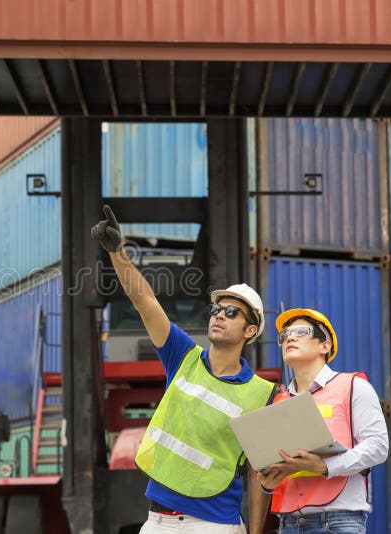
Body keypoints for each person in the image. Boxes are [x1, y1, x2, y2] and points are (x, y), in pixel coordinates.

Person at [91, 205, 277, 534]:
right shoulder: (183, 357)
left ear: (250, 331)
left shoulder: (261, 394)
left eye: (232, 313)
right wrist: (117, 253)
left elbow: (259, 471)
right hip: (158, 521)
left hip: (214, 523)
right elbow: (145, 302)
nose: (219, 315)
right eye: (217, 309)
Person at [251, 309, 389, 534]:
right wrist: (267, 483)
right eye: (285, 335)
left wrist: (325, 466)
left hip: (337, 522)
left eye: (300, 332)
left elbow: (378, 447)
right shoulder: (279, 401)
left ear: (325, 346)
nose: (290, 338)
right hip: (288, 524)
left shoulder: (352, 386)